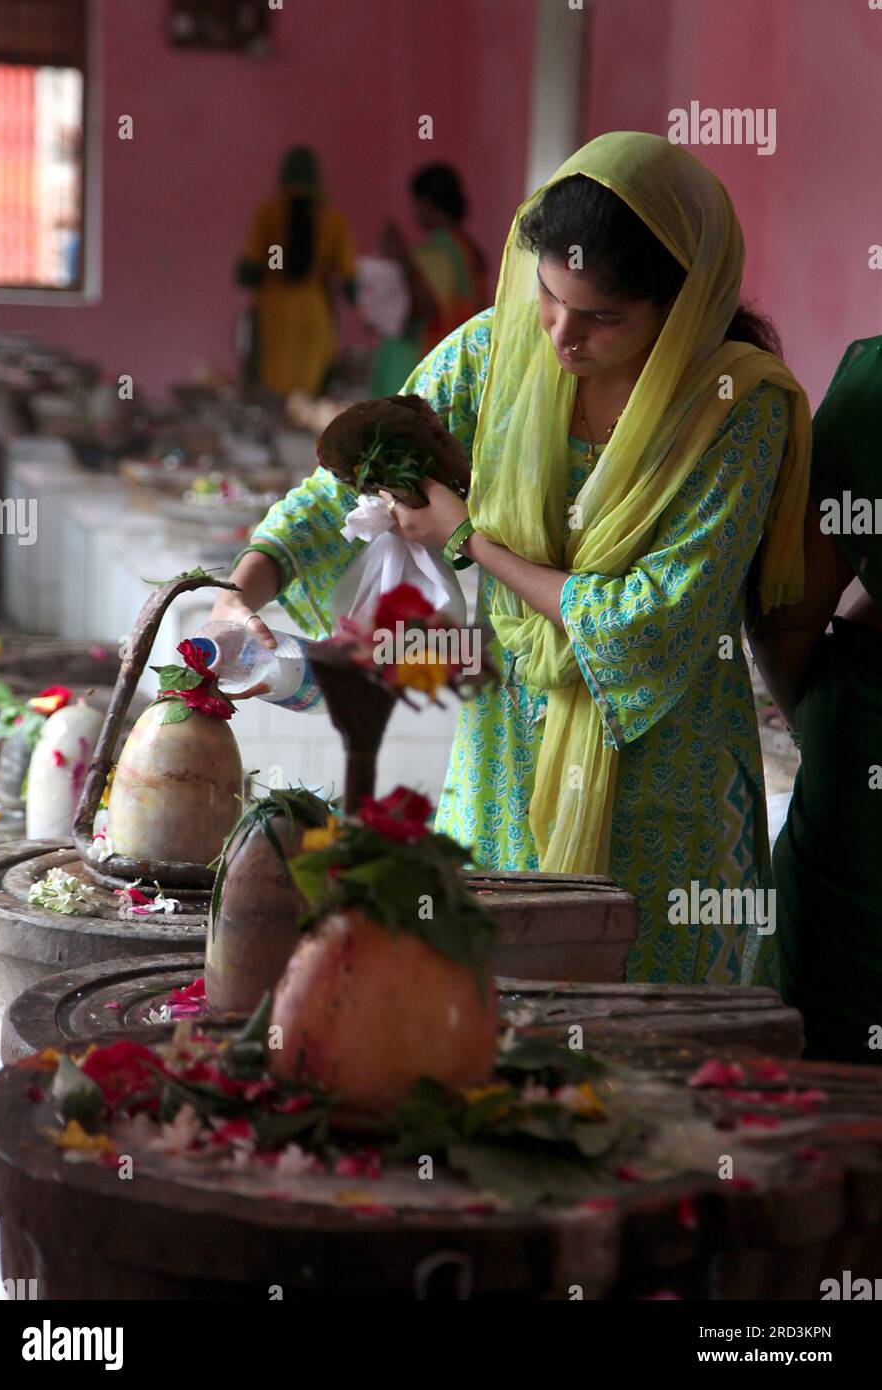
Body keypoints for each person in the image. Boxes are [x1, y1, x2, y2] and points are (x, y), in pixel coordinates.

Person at [212, 132, 812, 986]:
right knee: (496, 1019)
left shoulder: (734, 410)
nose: (562, 336)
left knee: (649, 1051)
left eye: (602, 318)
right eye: (548, 296)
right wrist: (243, 590)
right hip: (503, 764)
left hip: (662, 787)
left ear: (679, 309)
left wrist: (471, 542)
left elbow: (646, 623)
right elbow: (356, 480)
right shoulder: (497, 354)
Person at [749, 339, 882, 1062]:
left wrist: (815, 729)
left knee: (844, 1067)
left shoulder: (871, 390)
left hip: (864, 771)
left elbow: (786, 614)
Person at [236, 146, 356, 396]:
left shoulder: (269, 213)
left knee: (271, 394)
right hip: (315, 314)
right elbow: (350, 282)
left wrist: (271, 264)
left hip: (274, 312)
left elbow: (249, 272)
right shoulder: (333, 220)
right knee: (307, 399)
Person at [369, 163, 487, 396]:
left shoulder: (435, 252)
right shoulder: (468, 249)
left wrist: (401, 258)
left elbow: (427, 306)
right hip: (463, 362)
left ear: (425, 204)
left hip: (427, 360)